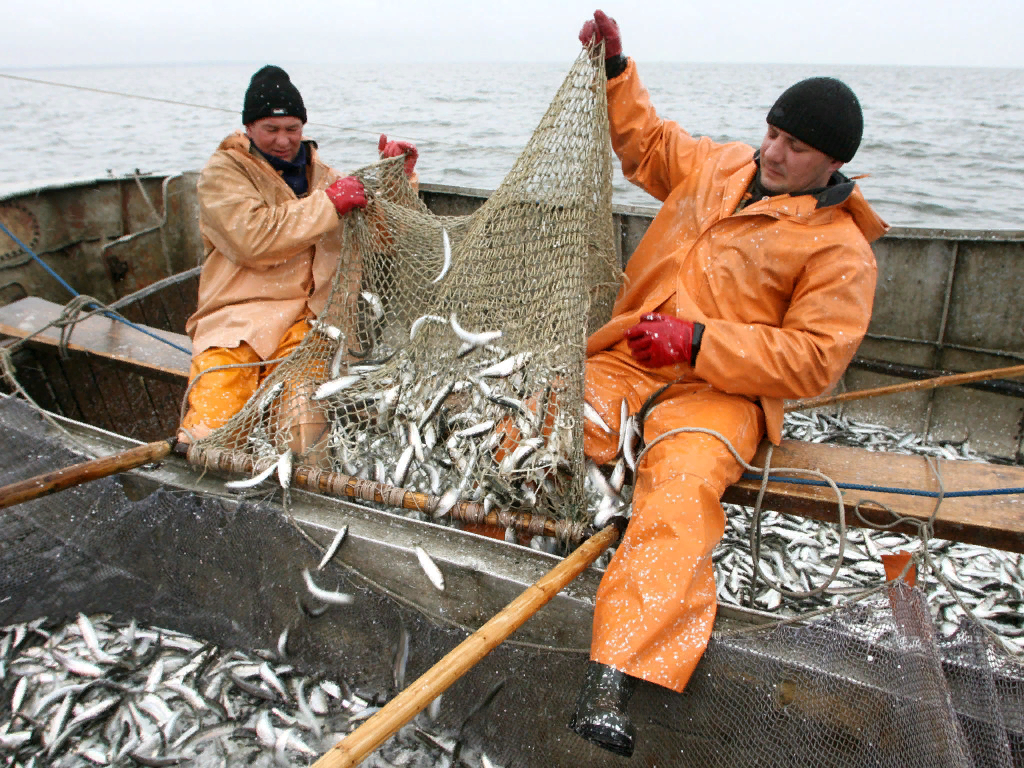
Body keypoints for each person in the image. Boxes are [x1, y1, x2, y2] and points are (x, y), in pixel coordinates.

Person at [570, 11, 888, 757]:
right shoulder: (716, 166)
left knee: (676, 500)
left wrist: (701, 341)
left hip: (721, 395)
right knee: (536, 423)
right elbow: (645, 143)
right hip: (627, 357)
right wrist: (615, 69)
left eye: (795, 147)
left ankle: (613, 673)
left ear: (831, 162)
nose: (773, 152)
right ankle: (519, 542)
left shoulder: (842, 252)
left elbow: (813, 360)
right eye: (772, 132)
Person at [179, 65, 418, 448]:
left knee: (303, 428)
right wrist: (329, 204)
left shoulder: (327, 177)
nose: (283, 140)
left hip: (313, 326)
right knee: (210, 428)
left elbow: (385, 238)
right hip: (239, 320)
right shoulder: (223, 175)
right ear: (249, 130)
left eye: (292, 128)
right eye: (271, 130)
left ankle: (304, 493)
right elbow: (253, 238)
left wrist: (398, 181)